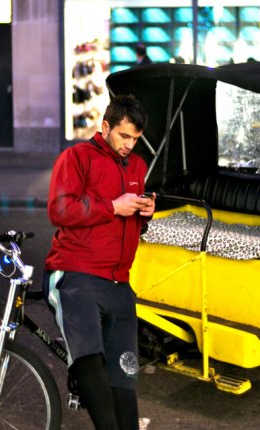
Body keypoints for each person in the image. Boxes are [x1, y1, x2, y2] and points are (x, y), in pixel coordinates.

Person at [43, 94, 154, 430]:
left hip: (120, 284)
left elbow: (128, 219)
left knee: (124, 380)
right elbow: (58, 211)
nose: (130, 145)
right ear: (105, 126)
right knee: (91, 365)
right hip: (77, 275)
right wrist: (111, 206)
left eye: (136, 138)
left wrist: (145, 213)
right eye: (124, 136)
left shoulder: (137, 166)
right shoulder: (76, 157)